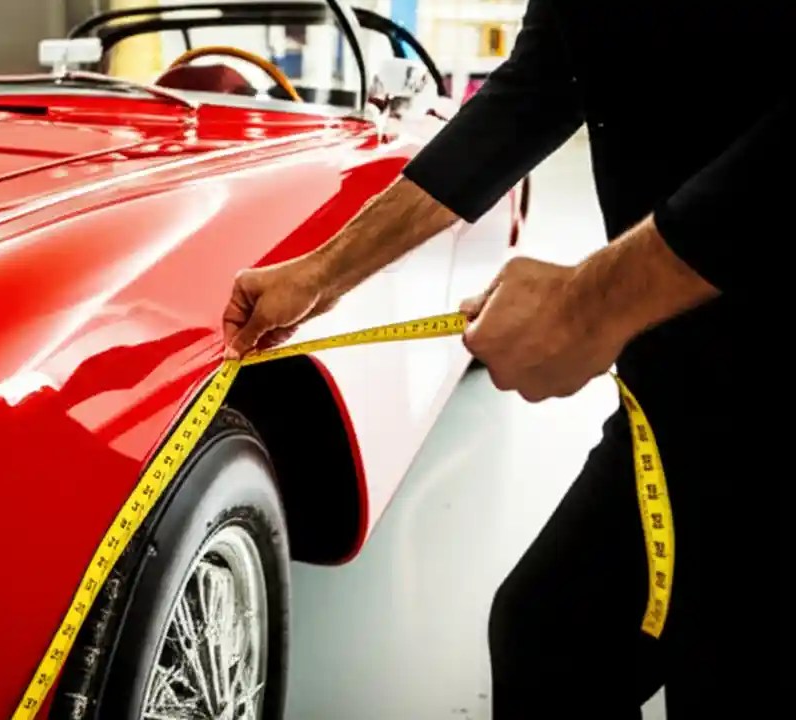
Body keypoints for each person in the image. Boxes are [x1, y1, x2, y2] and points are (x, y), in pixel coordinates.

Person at [220, 1, 789, 717]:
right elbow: (534, 89)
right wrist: (321, 275)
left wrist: (593, 303)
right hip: (679, 395)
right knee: (550, 643)